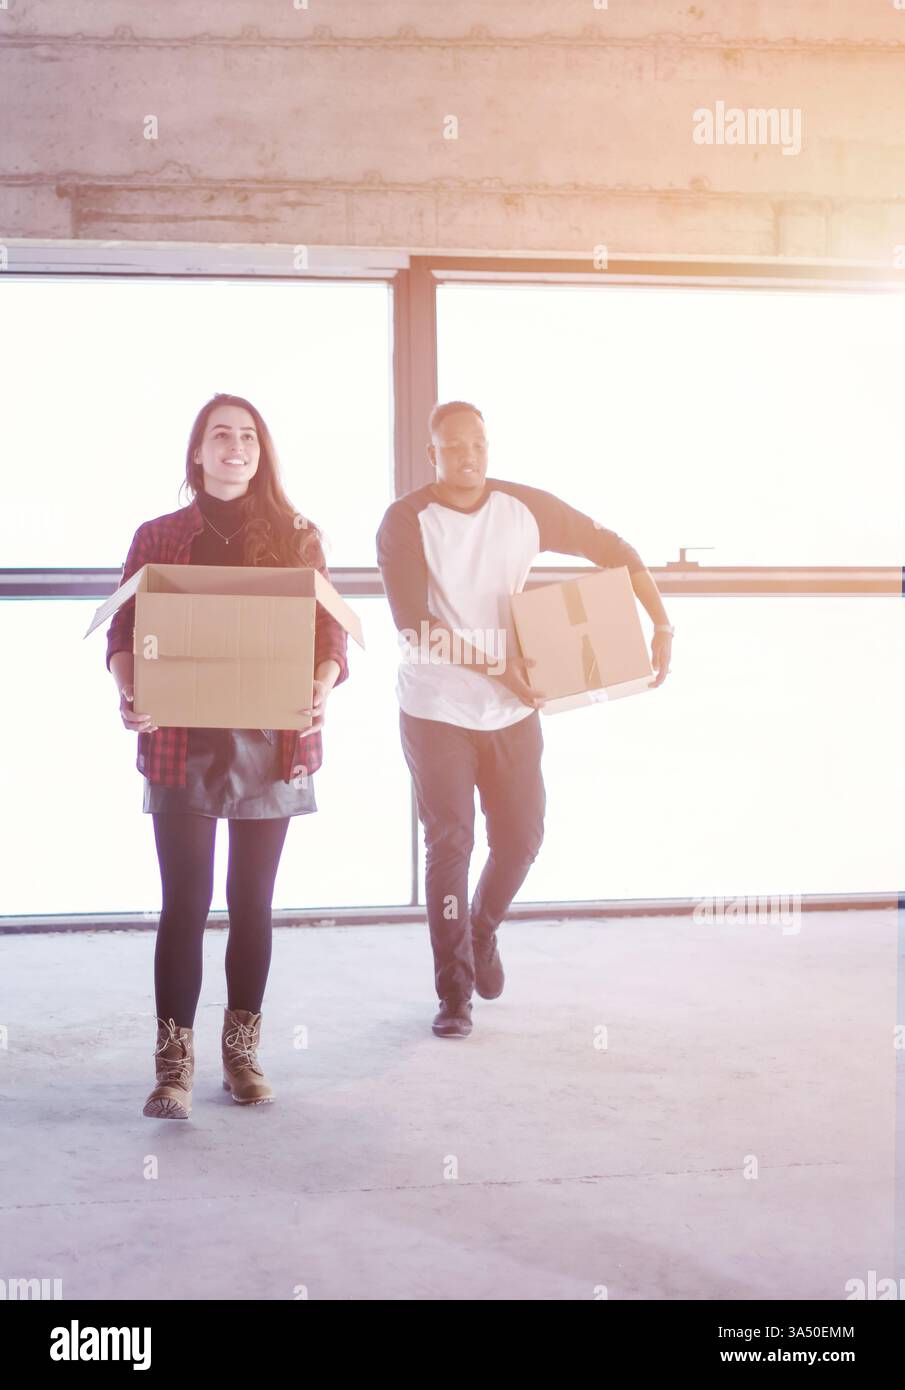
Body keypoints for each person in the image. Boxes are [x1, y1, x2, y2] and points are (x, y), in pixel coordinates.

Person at [376, 400, 673, 1039]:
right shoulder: (406, 520)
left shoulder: (523, 508)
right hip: (437, 705)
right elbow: (413, 624)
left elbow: (612, 548)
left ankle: (482, 928)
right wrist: (496, 667)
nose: (468, 455)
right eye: (453, 446)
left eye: (478, 443)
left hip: (513, 706)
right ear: (432, 455)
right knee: (450, 843)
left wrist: (662, 620)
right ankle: (453, 994)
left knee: (521, 839)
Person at [106, 393, 349, 1118]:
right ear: (198, 452)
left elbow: (329, 635)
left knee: (252, 904)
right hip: (182, 740)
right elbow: (123, 627)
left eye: (247, 436)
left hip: (269, 741)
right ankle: (171, 1067)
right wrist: (129, 688)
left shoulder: (297, 534)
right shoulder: (158, 536)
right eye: (220, 435)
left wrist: (323, 684)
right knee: (184, 903)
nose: (234, 446)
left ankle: (241, 1058)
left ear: (261, 451)